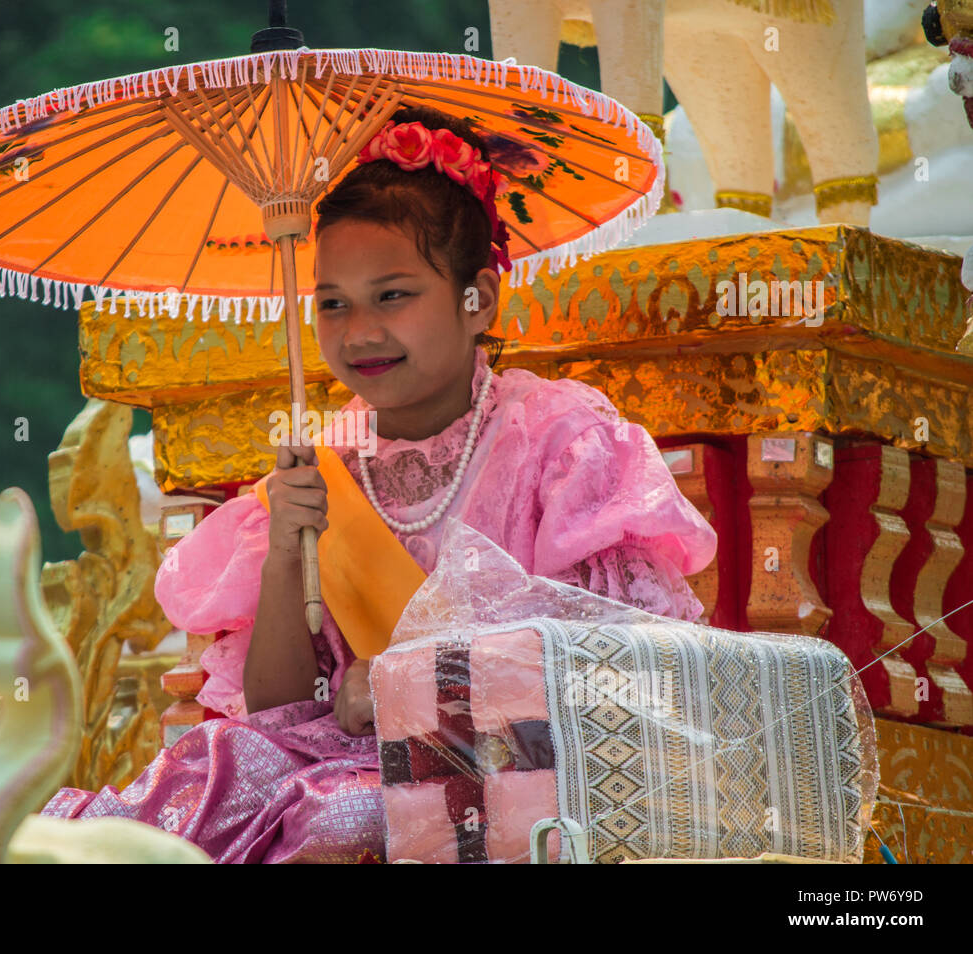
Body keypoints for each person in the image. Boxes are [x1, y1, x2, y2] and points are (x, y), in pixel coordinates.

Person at [39, 104, 718, 863]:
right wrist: (286, 554)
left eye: (392, 295)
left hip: (517, 776)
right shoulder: (318, 469)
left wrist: (405, 691)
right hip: (337, 757)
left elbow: (618, 672)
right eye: (333, 303)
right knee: (211, 771)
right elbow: (276, 713)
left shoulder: (559, 443)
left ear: (479, 300)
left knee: (337, 820)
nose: (358, 331)